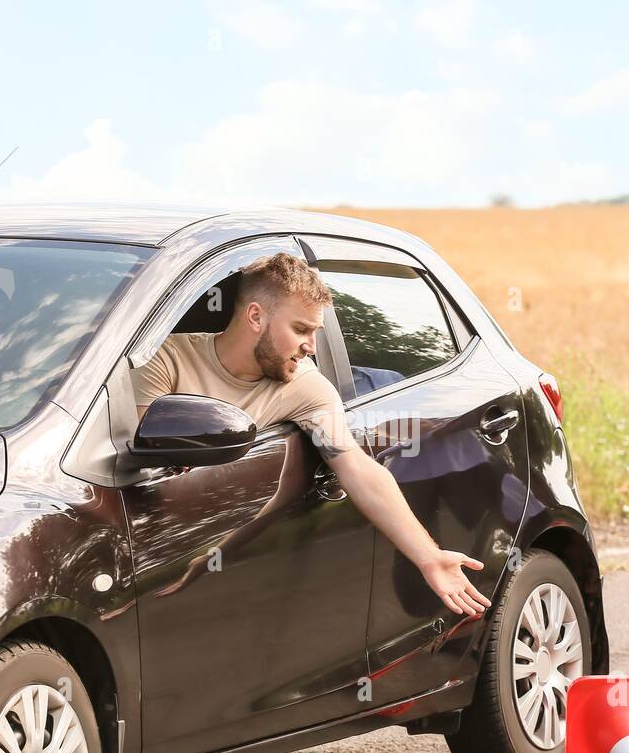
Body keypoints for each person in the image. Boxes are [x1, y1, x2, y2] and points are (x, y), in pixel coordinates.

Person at [131, 251, 492, 620]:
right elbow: (144, 448)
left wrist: (429, 557)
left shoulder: (304, 386)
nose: (311, 347)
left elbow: (356, 467)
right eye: (301, 329)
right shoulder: (166, 360)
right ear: (255, 316)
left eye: (315, 332)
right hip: (145, 541)